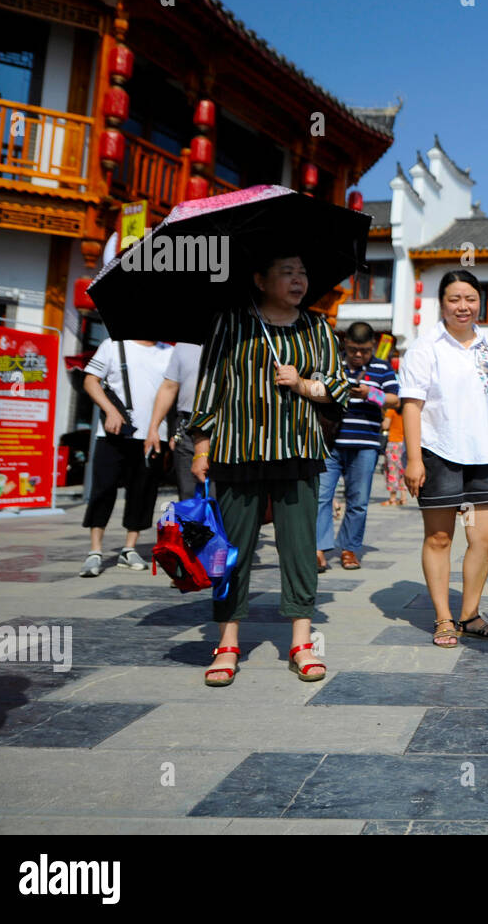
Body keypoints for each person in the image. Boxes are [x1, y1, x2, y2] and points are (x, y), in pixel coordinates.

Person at [188, 251, 349, 687]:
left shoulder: (318, 328)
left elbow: (338, 388)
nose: (298, 280)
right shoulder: (231, 322)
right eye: (287, 272)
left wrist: (302, 383)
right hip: (238, 451)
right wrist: (201, 447)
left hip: (298, 451)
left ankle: (300, 641)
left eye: (302, 272)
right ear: (260, 279)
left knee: (299, 548)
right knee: (231, 549)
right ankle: (227, 642)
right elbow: (209, 387)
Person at [399, 269, 488, 648]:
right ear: (442, 303)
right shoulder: (425, 346)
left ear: (480, 302)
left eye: (470, 299)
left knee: (484, 537)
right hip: (439, 454)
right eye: (454, 299)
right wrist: (414, 460)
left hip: (483, 459)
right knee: (440, 536)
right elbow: (411, 406)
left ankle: (470, 613)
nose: (463, 307)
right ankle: (444, 618)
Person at [79, 337, 173, 576]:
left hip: (153, 435)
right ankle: (95, 550)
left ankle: (129, 548)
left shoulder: (169, 352)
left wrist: (168, 431)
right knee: (103, 488)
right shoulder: (113, 345)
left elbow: (172, 392)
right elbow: (91, 381)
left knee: (143, 491)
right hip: (114, 432)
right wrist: (109, 410)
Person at [315, 322, 400, 571]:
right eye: (353, 350)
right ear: (345, 345)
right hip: (331, 442)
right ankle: (318, 548)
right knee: (321, 496)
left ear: (372, 346)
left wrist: (369, 394)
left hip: (365, 444)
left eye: (364, 350)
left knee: (359, 500)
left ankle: (349, 549)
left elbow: (395, 400)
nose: (358, 355)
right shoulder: (333, 364)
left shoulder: (383, 367)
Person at [146, 341, 203, 501]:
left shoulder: (232, 339)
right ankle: (191, 526)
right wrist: (153, 428)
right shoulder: (184, 345)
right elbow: (169, 387)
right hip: (186, 427)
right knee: (187, 495)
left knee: (217, 497)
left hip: (222, 428)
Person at [381, 402, 408, 506]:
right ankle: (403, 497)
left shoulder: (391, 410)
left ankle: (392, 498)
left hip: (394, 443)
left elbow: (385, 425)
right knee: (402, 470)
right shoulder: (406, 410)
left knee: (392, 470)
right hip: (405, 443)